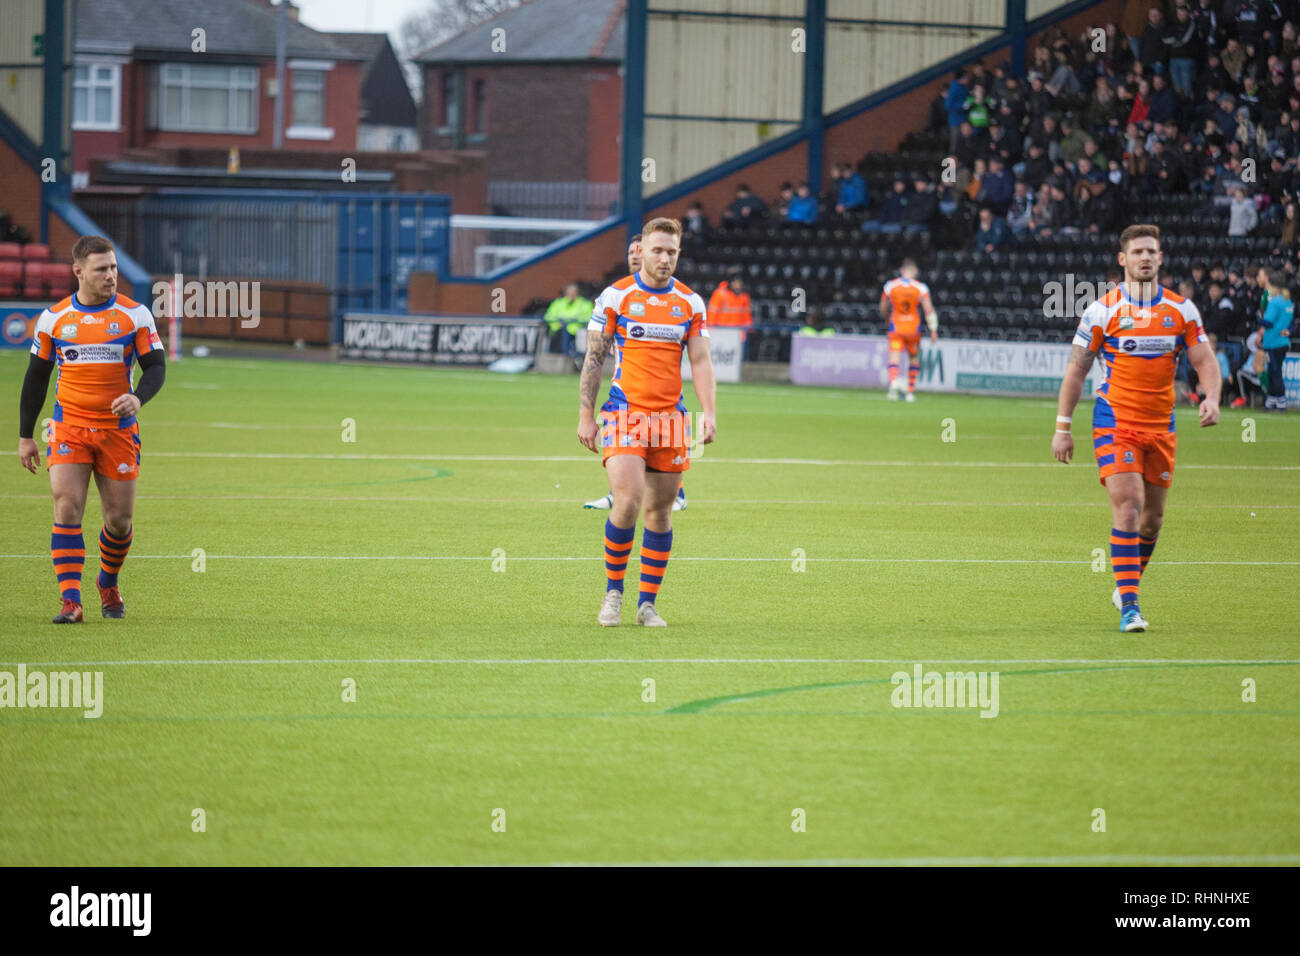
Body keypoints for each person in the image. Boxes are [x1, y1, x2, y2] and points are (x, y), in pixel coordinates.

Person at [1051, 224, 1220, 633]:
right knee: (1129, 507)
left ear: (1160, 259)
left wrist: (1211, 397)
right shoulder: (1101, 311)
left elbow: (1205, 362)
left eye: (1152, 251)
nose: (1145, 257)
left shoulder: (1182, 311)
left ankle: (1128, 583)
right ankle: (1130, 605)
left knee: (1153, 520)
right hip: (1115, 422)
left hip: (1161, 426)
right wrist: (1063, 427)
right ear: (1122, 260)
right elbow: (1076, 370)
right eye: (1138, 251)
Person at [17, 235, 166, 623]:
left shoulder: (136, 315)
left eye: (114, 268)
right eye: (102, 269)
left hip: (118, 430)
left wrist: (137, 398)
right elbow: (36, 379)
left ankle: (108, 582)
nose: (111, 275)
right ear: (79, 272)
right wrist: (25, 435)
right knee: (66, 506)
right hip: (69, 427)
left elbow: (156, 367)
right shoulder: (54, 319)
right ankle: (71, 601)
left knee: (119, 520)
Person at [578, 218, 716, 627]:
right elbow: (595, 358)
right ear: (642, 251)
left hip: (672, 419)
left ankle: (647, 604)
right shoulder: (615, 297)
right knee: (628, 501)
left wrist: (708, 413)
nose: (665, 259)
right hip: (624, 412)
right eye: (658, 250)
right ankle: (613, 594)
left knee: (660, 511)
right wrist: (587, 414)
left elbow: (701, 360)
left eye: (672, 252)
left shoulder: (690, 303)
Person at [584, 234, 688, 513]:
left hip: (663, 397)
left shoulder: (678, 298)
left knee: (660, 444)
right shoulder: (618, 295)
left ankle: (677, 493)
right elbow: (595, 355)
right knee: (626, 450)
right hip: (627, 392)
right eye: (630, 251)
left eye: (639, 250)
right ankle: (616, 495)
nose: (634, 255)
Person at [879, 259, 939, 402]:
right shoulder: (921, 288)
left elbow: (883, 306)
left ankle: (893, 387)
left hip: (896, 327)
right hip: (913, 328)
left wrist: (887, 318)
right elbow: (928, 309)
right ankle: (910, 392)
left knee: (894, 357)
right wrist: (933, 329)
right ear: (915, 272)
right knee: (913, 358)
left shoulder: (890, 286)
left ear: (902, 271)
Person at [1259, 269, 1294, 411]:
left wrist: (1259, 319)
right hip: (1283, 342)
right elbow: (1291, 324)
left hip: (1273, 342)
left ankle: (1280, 403)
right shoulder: (1288, 301)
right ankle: (1270, 402)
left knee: (1274, 372)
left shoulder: (1275, 302)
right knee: (1274, 371)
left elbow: (1268, 322)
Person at [543, 283, 592, 356]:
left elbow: (589, 317)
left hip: (577, 330)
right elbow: (548, 316)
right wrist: (557, 323)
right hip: (558, 329)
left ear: (578, 293)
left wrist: (573, 320)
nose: (571, 294)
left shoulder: (586, 304)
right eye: (569, 292)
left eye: (574, 292)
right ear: (566, 293)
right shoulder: (558, 303)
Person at [706, 274, 753, 339]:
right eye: (735, 282)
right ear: (730, 283)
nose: (738, 284)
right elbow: (712, 313)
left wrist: (748, 331)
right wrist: (711, 330)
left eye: (739, 282)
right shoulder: (720, 294)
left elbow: (747, 316)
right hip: (722, 331)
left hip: (738, 332)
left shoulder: (744, 296)